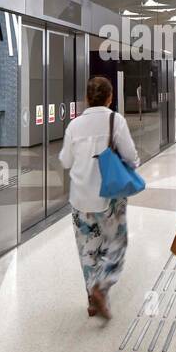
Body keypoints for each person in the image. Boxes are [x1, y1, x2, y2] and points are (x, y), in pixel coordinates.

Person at [58, 75, 139, 319]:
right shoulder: (116, 121)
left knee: (88, 249)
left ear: (86, 99)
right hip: (110, 196)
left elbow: (65, 160)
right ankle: (102, 287)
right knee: (116, 242)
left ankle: (92, 298)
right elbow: (131, 155)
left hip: (80, 198)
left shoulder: (74, 126)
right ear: (110, 97)